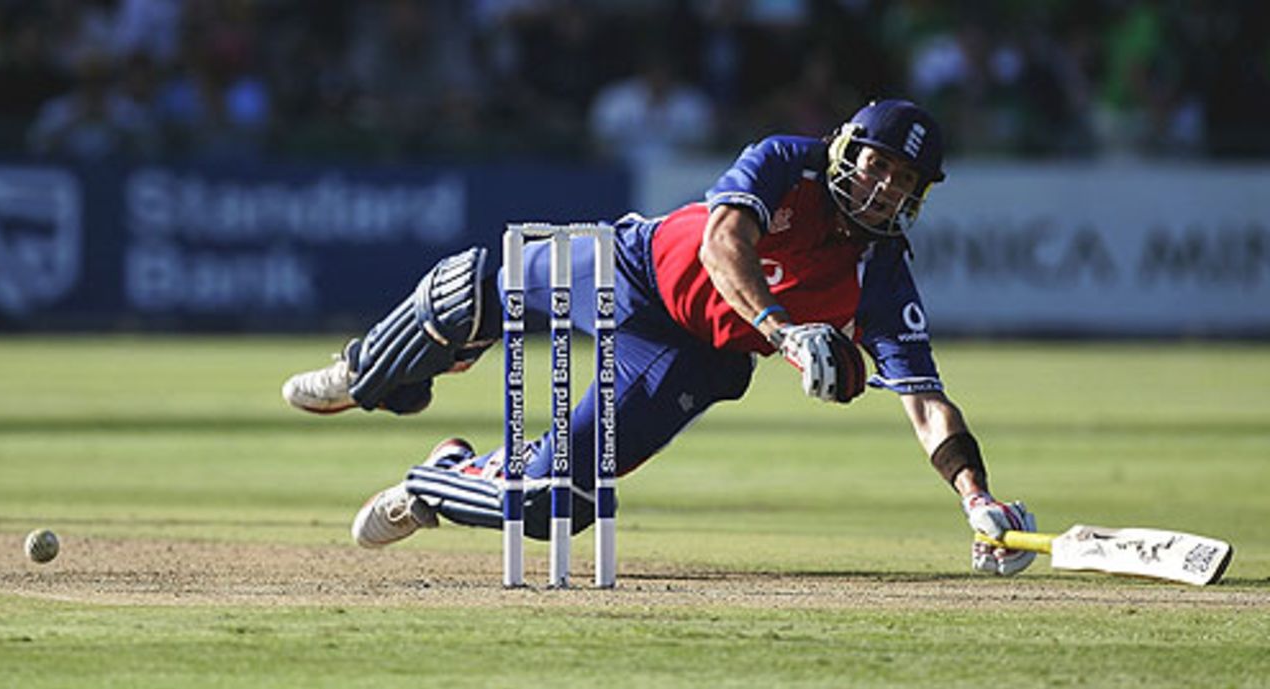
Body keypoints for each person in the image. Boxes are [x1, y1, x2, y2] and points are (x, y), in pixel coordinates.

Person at [282, 99, 1038, 577]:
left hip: (692, 352)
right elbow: (721, 246)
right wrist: (784, 331)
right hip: (633, 266)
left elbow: (925, 400)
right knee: (470, 290)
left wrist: (976, 498)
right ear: (846, 148)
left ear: (918, 197)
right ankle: (367, 373)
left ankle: (437, 476)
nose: (881, 189)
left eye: (902, 183)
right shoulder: (786, 160)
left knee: (553, 504)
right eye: (877, 166)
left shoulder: (882, 271)